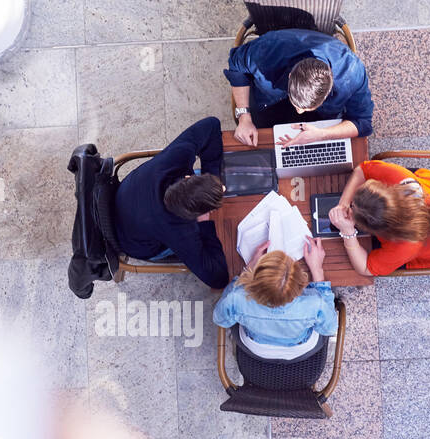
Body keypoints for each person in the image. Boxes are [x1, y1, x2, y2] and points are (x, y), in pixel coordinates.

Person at [113, 116, 229, 290]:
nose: (225, 188)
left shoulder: (175, 159)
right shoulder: (180, 230)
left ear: (188, 178)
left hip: (128, 199)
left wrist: (213, 176)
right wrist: (204, 224)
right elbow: (218, 278)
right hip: (135, 243)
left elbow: (212, 124)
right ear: (194, 216)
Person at [224, 29, 373, 148]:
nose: (299, 112)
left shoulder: (351, 73)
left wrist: (321, 135)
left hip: (322, 122)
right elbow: (236, 66)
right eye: (297, 105)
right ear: (290, 76)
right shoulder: (268, 49)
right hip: (268, 104)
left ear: (329, 90)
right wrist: (244, 118)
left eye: (305, 108)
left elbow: (363, 122)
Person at [212, 237, 337, 361]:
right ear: (300, 284)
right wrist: (317, 271)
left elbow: (220, 320)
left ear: (253, 280)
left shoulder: (236, 298)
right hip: (298, 349)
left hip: (256, 348)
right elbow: (328, 329)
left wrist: (246, 270)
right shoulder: (315, 304)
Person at [327, 159, 430, 278]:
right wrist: (343, 203)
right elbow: (363, 169)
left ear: (378, 232)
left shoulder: (403, 247)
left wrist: (348, 232)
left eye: (352, 205)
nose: (351, 205)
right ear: (385, 189)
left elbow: (366, 268)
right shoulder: (402, 179)